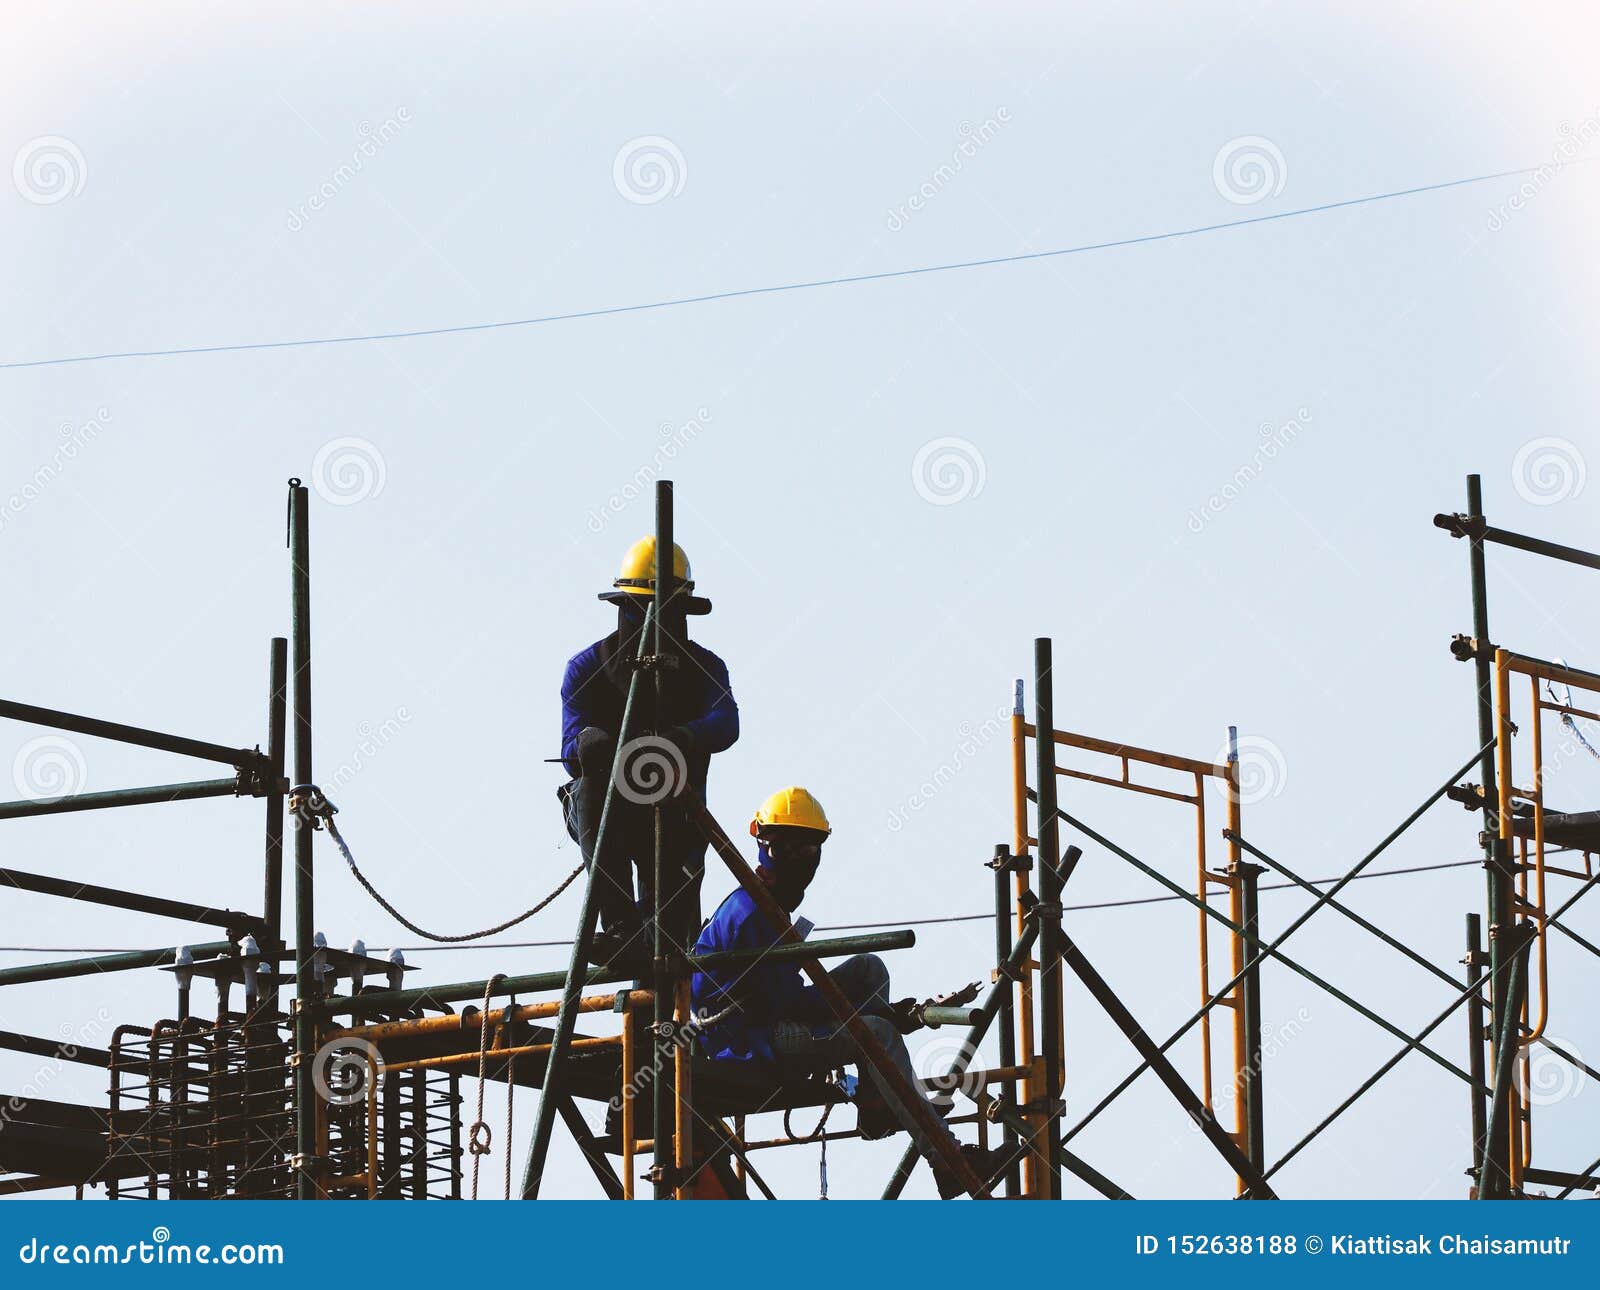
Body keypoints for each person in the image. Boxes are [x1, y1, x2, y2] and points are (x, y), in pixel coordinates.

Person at [690, 786, 1007, 1197]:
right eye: (797, 849)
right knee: (877, 1034)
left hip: (766, 1018)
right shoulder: (752, 913)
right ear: (769, 847)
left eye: (813, 849)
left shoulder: (766, 903)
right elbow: (785, 1004)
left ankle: (875, 1102)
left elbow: (788, 994)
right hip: (750, 1041)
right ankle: (947, 1162)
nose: (807, 860)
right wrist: (876, 1020)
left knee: (868, 969)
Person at [559, 536, 738, 960]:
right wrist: (588, 745)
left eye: (667, 614)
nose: (653, 627)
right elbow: (569, 743)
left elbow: (726, 723)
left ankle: (669, 1011)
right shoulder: (587, 668)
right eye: (641, 613)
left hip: (678, 817)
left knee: (671, 947)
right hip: (610, 819)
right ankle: (622, 929)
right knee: (588, 793)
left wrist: (681, 737)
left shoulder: (704, 668)